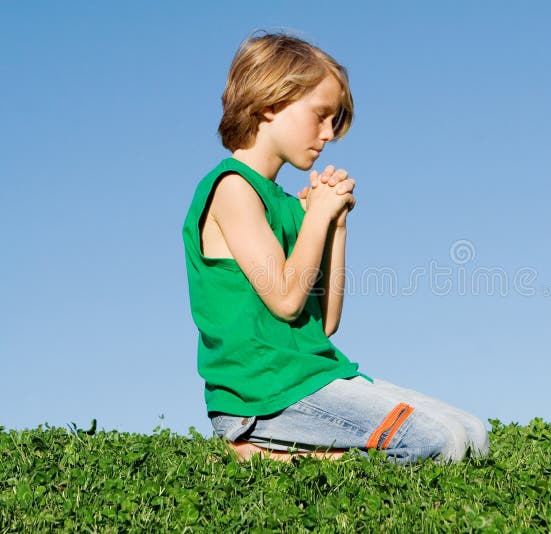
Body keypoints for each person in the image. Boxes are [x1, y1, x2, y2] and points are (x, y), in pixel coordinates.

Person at [182, 32, 489, 464]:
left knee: (472, 434)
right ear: (271, 103)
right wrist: (318, 217)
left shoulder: (286, 204)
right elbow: (287, 300)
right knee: (435, 442)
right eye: (320, 115)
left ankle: (282, 452)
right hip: (263, 395)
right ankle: (262, 455)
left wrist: (335, 225)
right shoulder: (233, 188)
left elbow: (324, 324)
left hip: (312, 378)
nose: (328, 133)